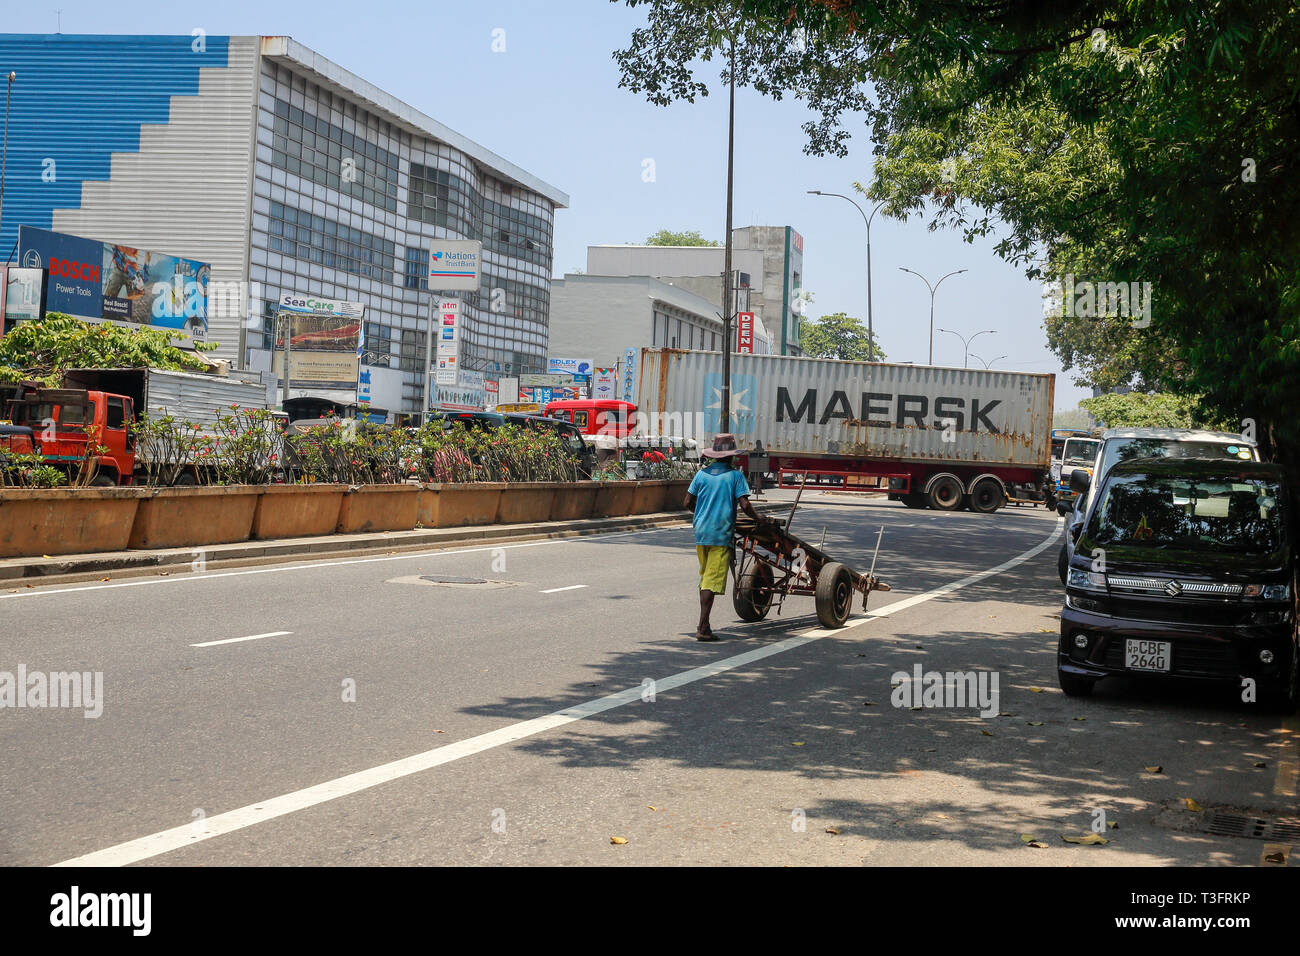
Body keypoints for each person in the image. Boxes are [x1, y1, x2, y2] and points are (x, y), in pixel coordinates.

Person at [685, 433, 766, 641]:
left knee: (705, 577)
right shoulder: (735, 476)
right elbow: (745, 504)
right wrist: (759, 519)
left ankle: (705, 624)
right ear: (732, 456)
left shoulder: (701, 475)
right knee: (711, 581)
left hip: (701, 531)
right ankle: (703, 628)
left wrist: (703, 513)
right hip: (720, 535)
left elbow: (687, 503)